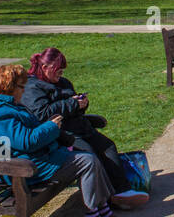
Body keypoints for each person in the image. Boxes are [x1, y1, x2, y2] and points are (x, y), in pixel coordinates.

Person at [0, 64, 127, 217]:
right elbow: (26, 141)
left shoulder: (8, 106)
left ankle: (104, 213)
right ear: (9, 87)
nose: (24, 91)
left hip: (32, 160)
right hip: (22, 169)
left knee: (88, 157)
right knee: (87, 161)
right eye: (21, 86)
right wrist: (51, 127)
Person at [21, 47, 148, 208]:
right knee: (89, 154)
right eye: (58, 72)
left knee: (107, 146)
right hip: (60, 134)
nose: (60, 76)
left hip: (80, 128)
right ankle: (105, 201)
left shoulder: (63, 82)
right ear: (45, 68)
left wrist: (81, 104)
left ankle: (122, 191)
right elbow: (42, 113)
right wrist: (72, 103)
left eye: (61, 72)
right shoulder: (32, 87)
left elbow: (70, 106)